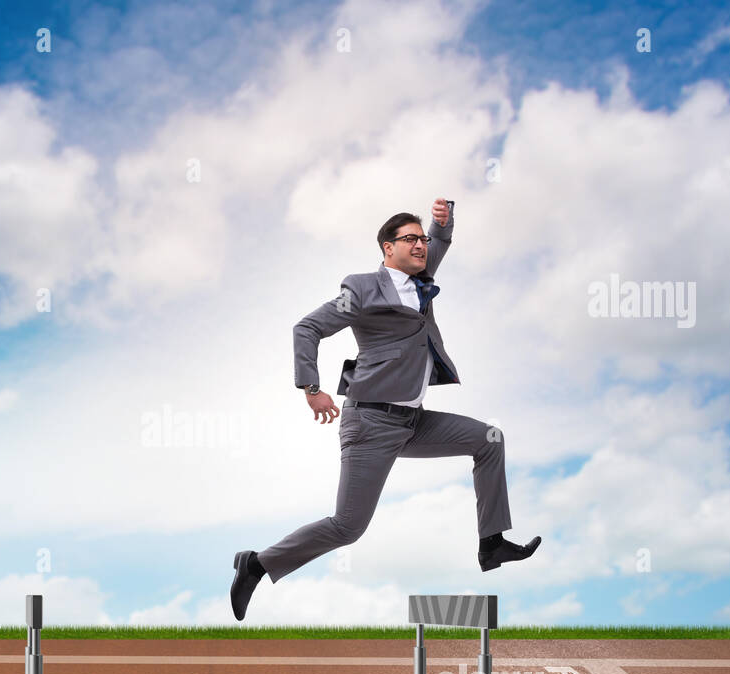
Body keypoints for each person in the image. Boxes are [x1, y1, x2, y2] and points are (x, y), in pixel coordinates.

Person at [230, 198, 541, 621]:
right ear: (386, 248)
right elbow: (307, 328)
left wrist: (440, 221)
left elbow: (439, 243)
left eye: (421, 240)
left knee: (489, 439)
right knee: (348, 527)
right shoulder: (360, 289)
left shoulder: (423, 278)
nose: (420, 246)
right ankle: (256, 564)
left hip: (414, 422)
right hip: (371, 422)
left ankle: (492, 542)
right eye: (410, 239)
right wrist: (311, 386)